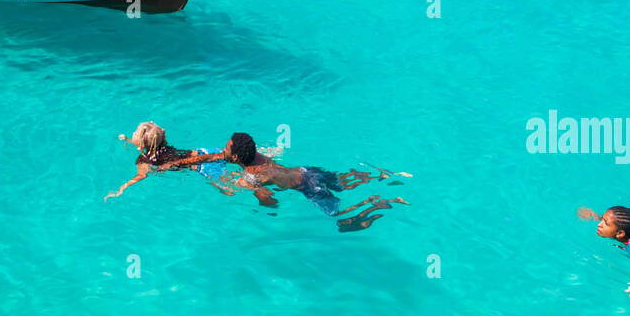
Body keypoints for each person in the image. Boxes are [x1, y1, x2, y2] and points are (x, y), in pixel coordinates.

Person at [219, 132, 410, 232]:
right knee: (341, 183)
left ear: (235, 156)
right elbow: (276, 153)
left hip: (309, 187)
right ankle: (379, 176)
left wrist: (264, 205)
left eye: (227, 148)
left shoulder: (252, 175)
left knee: (338, 216)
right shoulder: (258, 156)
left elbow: (269, 200)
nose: (223, 149)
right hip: (307, 171)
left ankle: (375, 203)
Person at [104, 122, 226, 200]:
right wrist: (127, 139)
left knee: (229, 188)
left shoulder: (144, 160)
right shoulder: (162, 145)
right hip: (204, 152)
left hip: (204, 168)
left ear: (142, 143)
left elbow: (141, 175)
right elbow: (146, 142)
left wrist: (122, 188)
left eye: (136, 132)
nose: (134, 133)